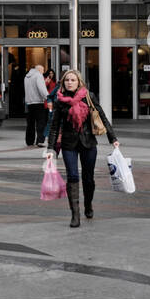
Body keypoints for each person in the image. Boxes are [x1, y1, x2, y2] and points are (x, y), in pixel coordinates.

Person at [44, 70, 119, 228]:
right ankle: (75, 215)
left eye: (73, 80)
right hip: (68, 144)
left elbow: (102, 116)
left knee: (88, 178)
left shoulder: (88, 96)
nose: (69, 82)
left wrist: (113, 138)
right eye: (67, 80)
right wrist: (50, 148)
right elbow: (54, 126)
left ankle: (88, 205)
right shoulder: (60, 101)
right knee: (72, 176)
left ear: (79, 82)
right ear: (63, 83)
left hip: (88, 142)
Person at [24, 64, 47, 147]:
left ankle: (29, 141)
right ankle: (40, 140)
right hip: (38, 102)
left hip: (29, 102)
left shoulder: (27, 76)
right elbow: (42, 89)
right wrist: (48, 97)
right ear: (39, 70)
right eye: (43, 70)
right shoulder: (38, 75)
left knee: (30, 123)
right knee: (41, 122)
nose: (43, 72)